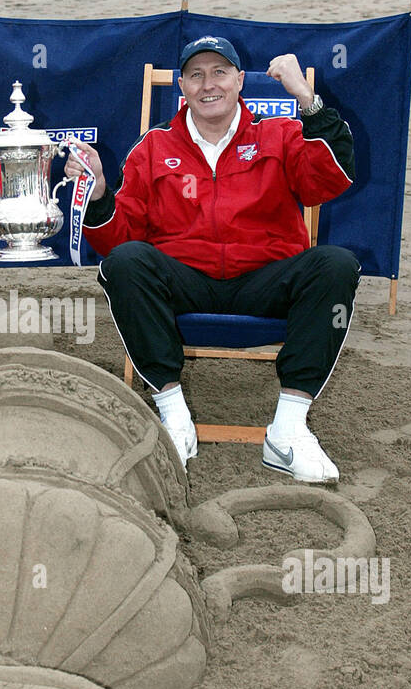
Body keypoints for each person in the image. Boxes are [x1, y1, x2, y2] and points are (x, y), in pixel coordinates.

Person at [65, 35, 359, 483]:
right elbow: (119, 241)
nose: (208, 85)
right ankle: (173, 414)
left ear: (240, 81)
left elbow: (333, 178)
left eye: (219, 72)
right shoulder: (153, 148)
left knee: (336, 264)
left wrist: (305, 98)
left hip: (266, 279)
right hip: (186, 280)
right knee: (125, 263)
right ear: (181, 86)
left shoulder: (278, 134)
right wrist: (100, 194)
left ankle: (288, 430)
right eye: (196, 75)